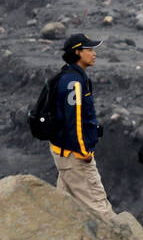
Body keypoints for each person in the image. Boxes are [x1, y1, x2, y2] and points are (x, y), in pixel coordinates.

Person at [49, 33, 114, 219]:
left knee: (64, 210)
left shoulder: (68, 76)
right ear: (77, 52)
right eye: (90, 50)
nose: (94, 54)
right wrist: (83, 150)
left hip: (62, 152)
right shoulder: (74, 83)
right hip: (75, 156)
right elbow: (74, 119)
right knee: (101, 210)